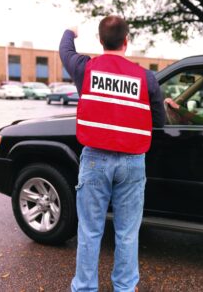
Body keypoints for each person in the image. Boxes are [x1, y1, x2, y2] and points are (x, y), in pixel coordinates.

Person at [59, 16, 165, 292]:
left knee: (90, 231)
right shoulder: (146, 78)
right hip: (132, 161)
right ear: (126, 42)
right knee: (127, 233)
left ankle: (84, 288)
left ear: (100, 40)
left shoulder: (86, 69)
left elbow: (65, 51)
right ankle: (125, 288)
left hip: (94, 159)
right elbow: (160, 120)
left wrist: (70, 31)